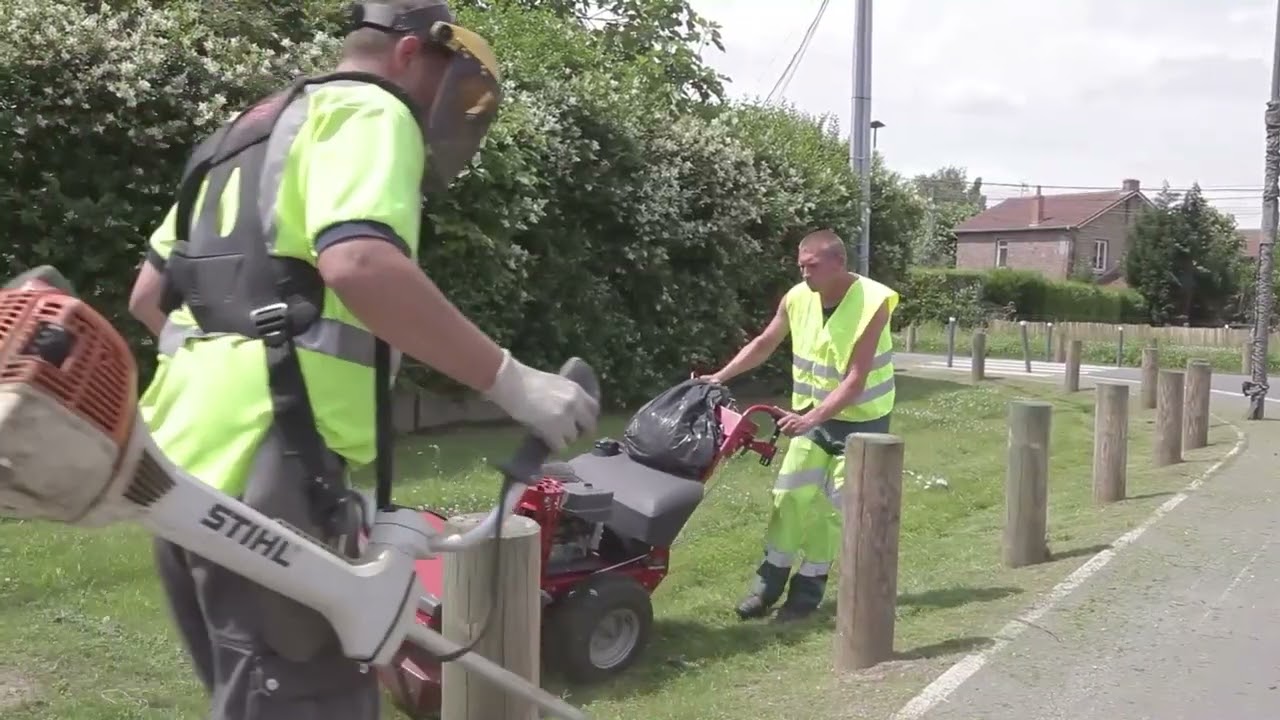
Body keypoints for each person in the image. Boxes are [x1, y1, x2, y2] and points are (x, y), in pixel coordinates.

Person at [126, 2, 598, 718]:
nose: (443, 109)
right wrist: (514, 383)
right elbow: (359, 262)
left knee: (248, 696)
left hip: (179, 472)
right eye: (447, 80)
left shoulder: (245, 134)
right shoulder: (373, 113)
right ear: (409, 52)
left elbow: (147, 298)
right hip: (274, 465)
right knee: (310, 695)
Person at [702, 229, 898, 622]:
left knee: (828, 509)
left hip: (861, 423)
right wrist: (719, 377)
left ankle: (806, 594)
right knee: (788, 497)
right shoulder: (797, 298)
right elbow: (764, 342)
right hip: (812, 418)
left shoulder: (873, 301)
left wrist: (810, 417)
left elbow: (856, 378)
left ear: (838, 263)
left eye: (811, 266)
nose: (804, 273)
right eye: (800, 266)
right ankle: (766, 586)